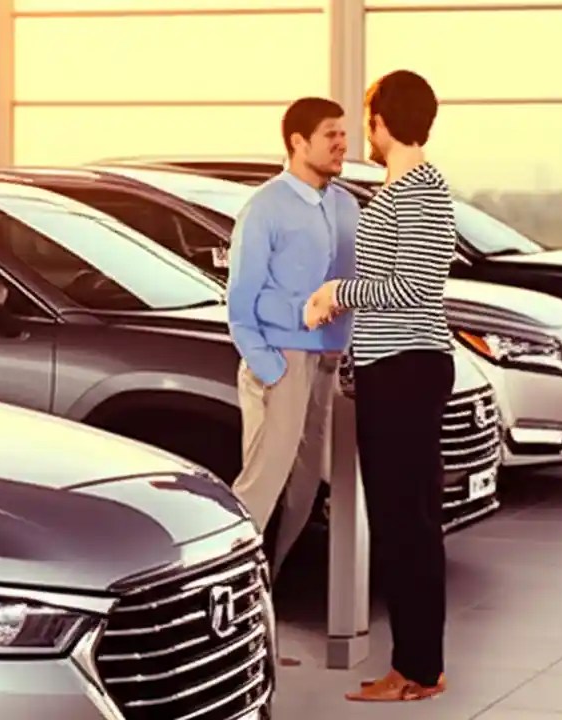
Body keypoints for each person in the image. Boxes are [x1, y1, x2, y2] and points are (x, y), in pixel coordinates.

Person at [305, 69, 455, 703]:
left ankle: (413, 671)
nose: (363, 133)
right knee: (413, 521)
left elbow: (415, 288)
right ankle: (423, 664)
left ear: (385, 123)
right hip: (402, 368)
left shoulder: (414, 192)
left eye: (368, 120)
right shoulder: (415, 186)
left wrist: (340, 293)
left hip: (405, 371)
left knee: (403, 525)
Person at [225, 96, 359, 579]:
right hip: (282, 360)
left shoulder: (345, 206)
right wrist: (269, 368)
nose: (343, 143)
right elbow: (241, 300)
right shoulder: (265, 208)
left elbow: (352, 282)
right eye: (331, 134)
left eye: (344, 133)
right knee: (262, 483)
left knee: (306, 485)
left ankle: (272, 583)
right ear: (298, 142)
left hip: (327, 362)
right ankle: (226, 582)